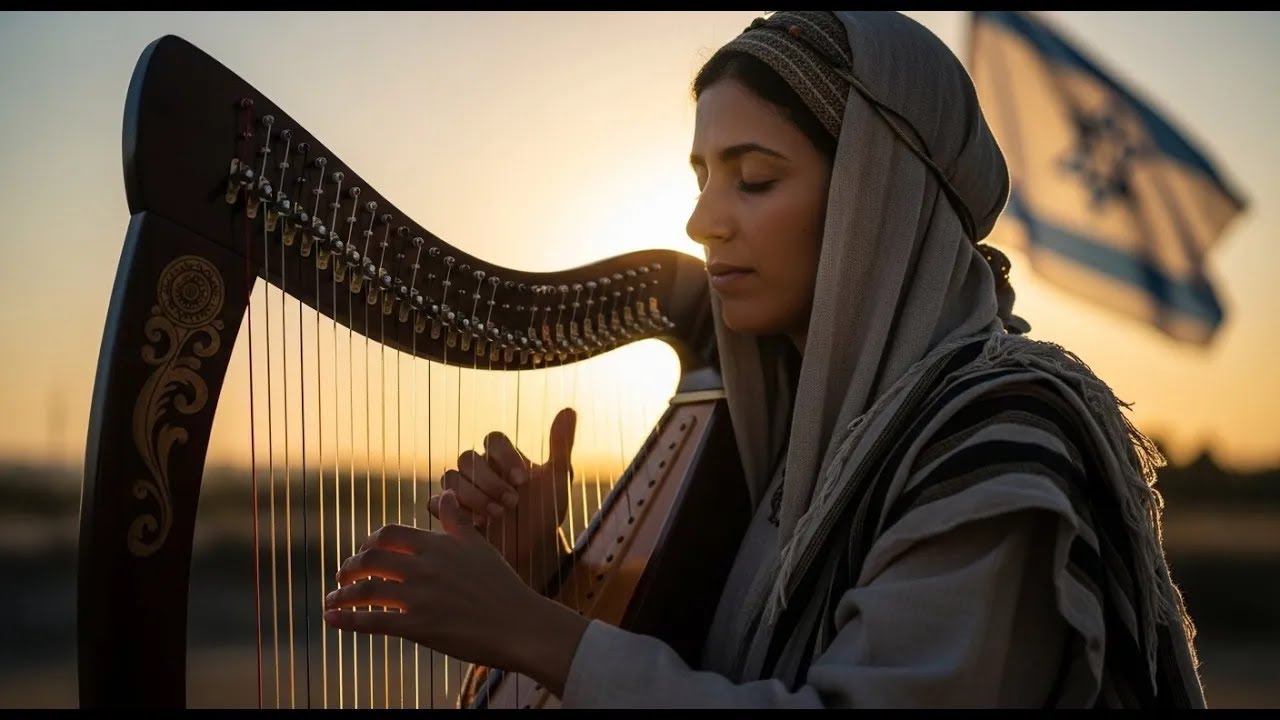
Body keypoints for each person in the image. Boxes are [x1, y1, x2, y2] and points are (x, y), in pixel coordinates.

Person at [322, 11, 1206, 708]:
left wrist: (535, 635)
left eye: (754, 178)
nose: (703, 221)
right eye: (702, 174)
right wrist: (552, 574)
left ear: (875, 200)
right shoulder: (809, 441)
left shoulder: (999, 437)